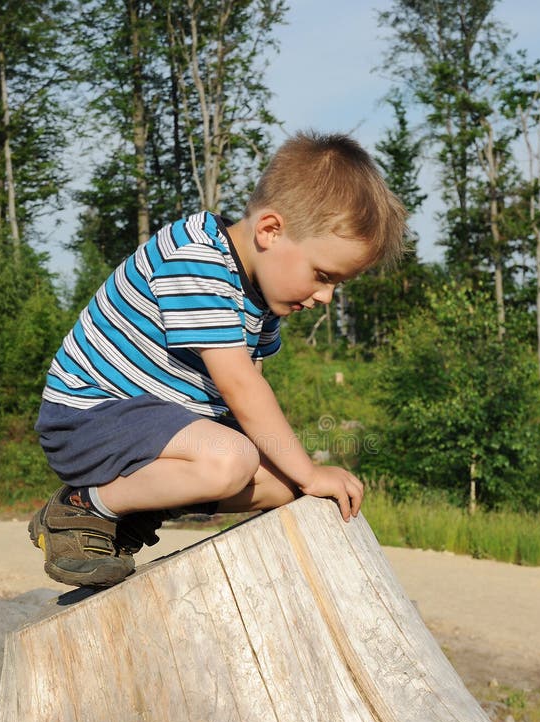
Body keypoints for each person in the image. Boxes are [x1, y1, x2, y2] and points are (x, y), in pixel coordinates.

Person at [29, 131, 407, 588]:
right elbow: (241, 386)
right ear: (270, 230)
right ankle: (82, 509)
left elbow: (250, 384)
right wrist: (310, 469)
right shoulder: (195, 259)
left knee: (282, 486)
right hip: (90, 418)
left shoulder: (260, 292)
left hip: (153, 427)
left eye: (336, 285)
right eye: (322, 276)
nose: (325, 296)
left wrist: (295, 475)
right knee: (236, 461)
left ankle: (127, 510)